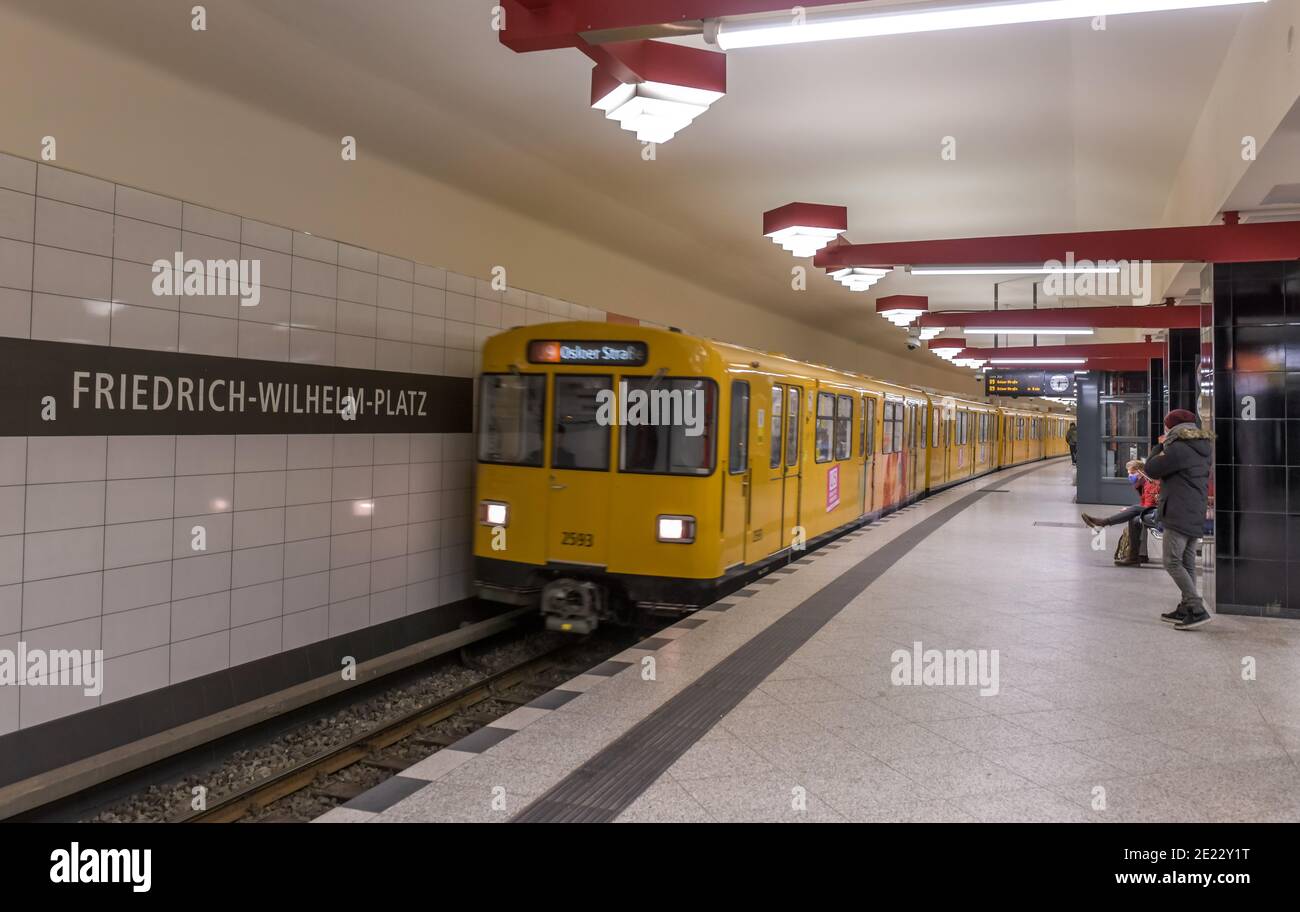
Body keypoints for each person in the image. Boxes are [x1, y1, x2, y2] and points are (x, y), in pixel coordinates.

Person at [1143, 408, 1214, 630]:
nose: (1165, 430)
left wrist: (1159, 446)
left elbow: (1152, 469)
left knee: (1172, 561)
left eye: (1167, 426)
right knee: (1187, 561)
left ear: (1172, 427)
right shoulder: (1202, 446)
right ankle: (1186, 607)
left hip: (1179, 510)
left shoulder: (1178, 448)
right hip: (1194, 509)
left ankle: (1197, 608)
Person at [1080, 460, 1161, 566]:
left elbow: (1148, 506)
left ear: (1140, 472)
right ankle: (1133, 557)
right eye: (1128, 473)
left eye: (1132, 473)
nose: (1129, 476)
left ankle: (1102, 522)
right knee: (1133, 518)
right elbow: (1144, 504)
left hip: (1159, 512)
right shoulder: (1142, 484)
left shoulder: (1149, 484)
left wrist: (1130, 509)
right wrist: (1131, 509)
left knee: (1134, 510)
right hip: (1154, 510)